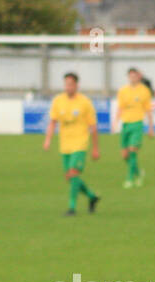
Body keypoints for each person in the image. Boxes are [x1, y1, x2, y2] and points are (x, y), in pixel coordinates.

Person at [42, 72, 100, 217]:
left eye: (70, 84)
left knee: (73, 172)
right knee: (70, 177)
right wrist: (48, 140)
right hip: (65, 144)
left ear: (76, 85)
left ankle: (71, 208)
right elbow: (52, 122)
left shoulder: (85, 102)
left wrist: (95, 148)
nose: (68, 87)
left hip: (80, 143)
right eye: (66, 84)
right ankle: (92, 197)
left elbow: (93, 126)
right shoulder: (58, 101)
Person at [116, 67, 154, 188]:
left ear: (138, 76)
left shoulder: (144, 91)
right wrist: (115, 121)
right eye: (130, 76)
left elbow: (148, 110)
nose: (132, 78)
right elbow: (120, 107)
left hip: (137, 124)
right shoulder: (123, 91)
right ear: (128, 77)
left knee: (133, 151)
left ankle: (129, 179)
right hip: (125, 124)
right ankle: (138, 173)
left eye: (134, 75)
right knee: (125, 155)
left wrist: (151, 127)